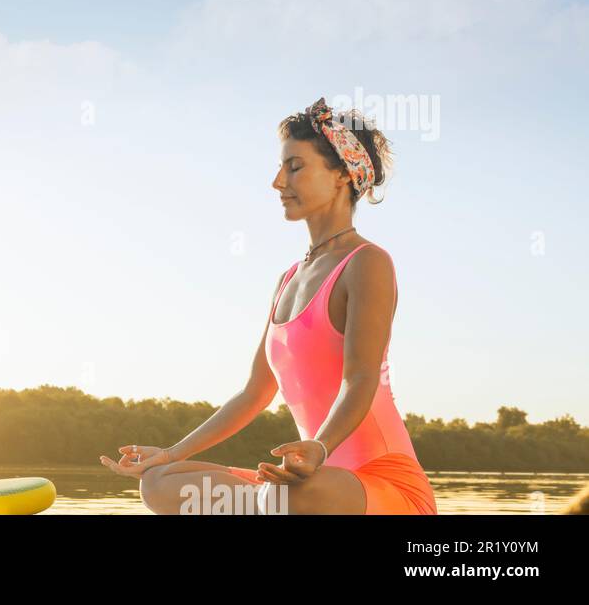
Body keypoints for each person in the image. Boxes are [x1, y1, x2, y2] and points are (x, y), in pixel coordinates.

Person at [100, 98, 437, 515]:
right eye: (281, 168)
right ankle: (264, 506)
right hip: (305, 484)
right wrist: (170, 453)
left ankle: (269, 506)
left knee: (286, 496)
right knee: (161, 484)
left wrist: (319, 446)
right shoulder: (288, 279)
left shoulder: (367, 262)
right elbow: (255, 392)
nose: (278, 181)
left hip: (381, 486)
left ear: (341, 176)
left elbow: (361, 379)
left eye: (295, 167)